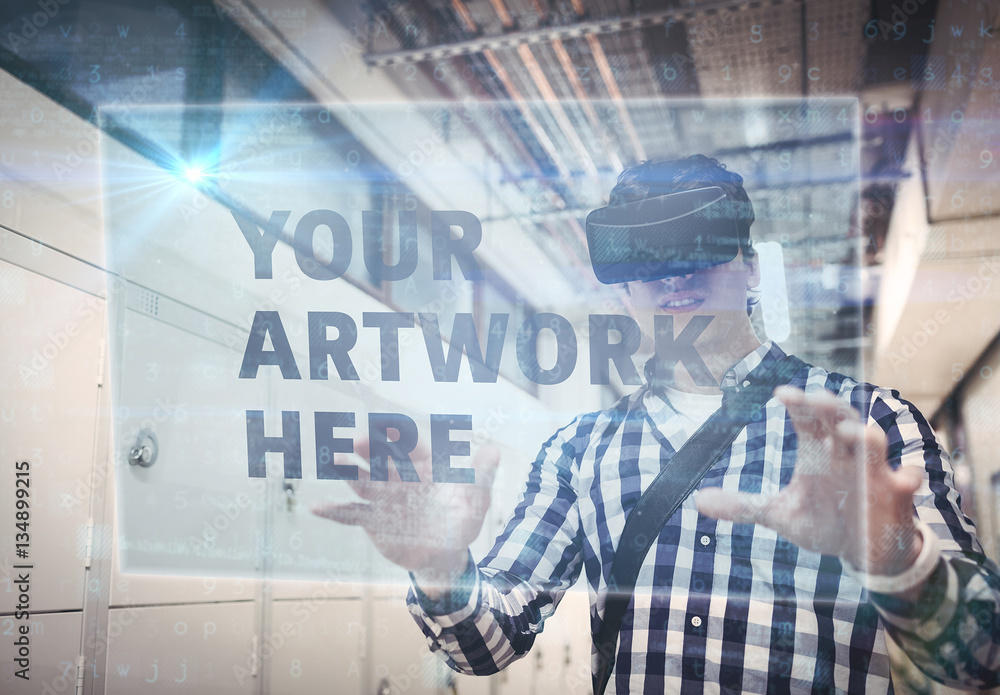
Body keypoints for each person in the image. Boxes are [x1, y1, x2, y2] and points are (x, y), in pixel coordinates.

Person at [313, 155, 1000, 693]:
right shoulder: (579, 452)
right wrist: (441, 570)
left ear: (753, 268)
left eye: (700, 245)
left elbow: (983, 654)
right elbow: (487, 642)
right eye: (646, 256)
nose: (672, 273)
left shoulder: (868, 428)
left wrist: (896, 558)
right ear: (620, 292)